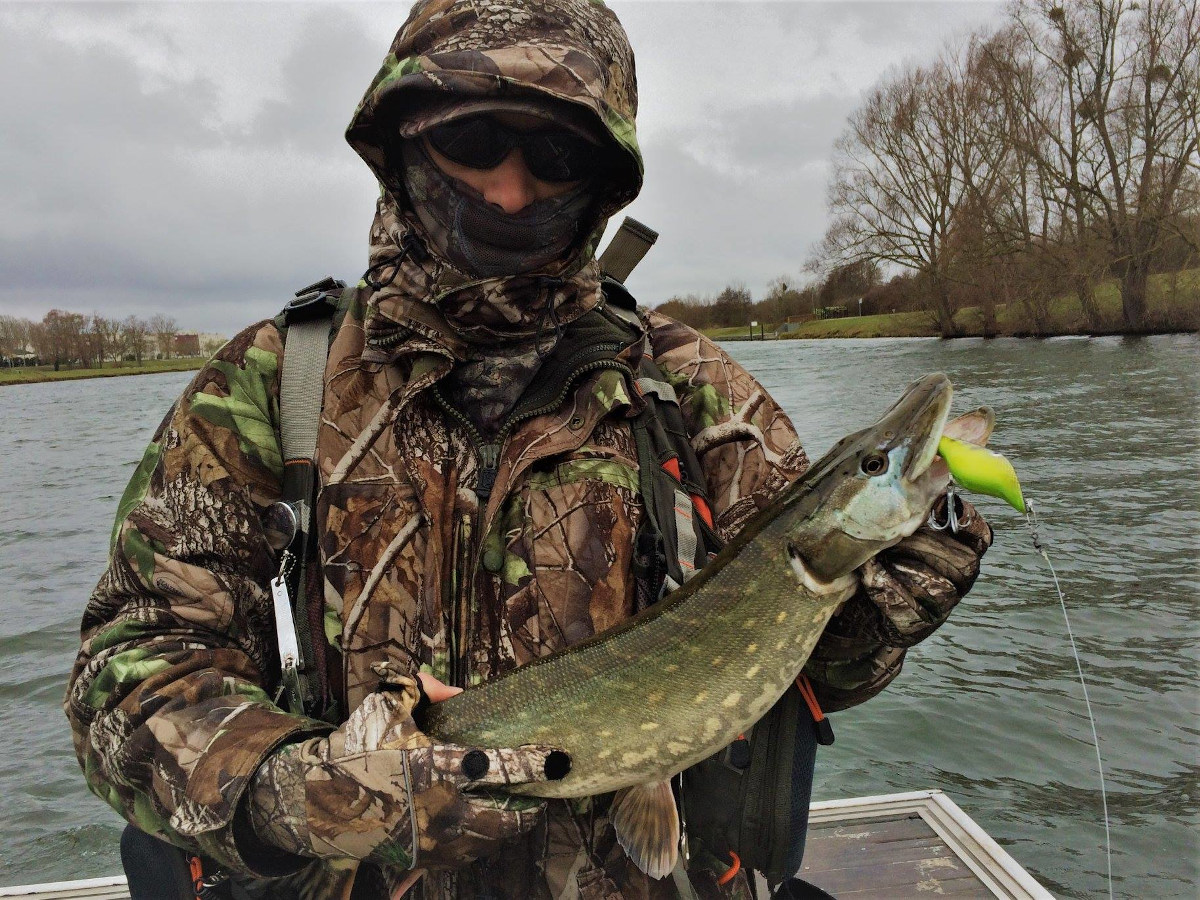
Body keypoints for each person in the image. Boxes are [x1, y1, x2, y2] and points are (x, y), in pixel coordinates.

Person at [64, 1, 993, 898]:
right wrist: (300, 788)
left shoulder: (700, 397)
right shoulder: (267, 390)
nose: (510, 190)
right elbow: (129, 680)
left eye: (554, 155)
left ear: (600, 180)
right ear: (404, 141)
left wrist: (876, 617)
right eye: (473, 143)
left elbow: (806, 671)